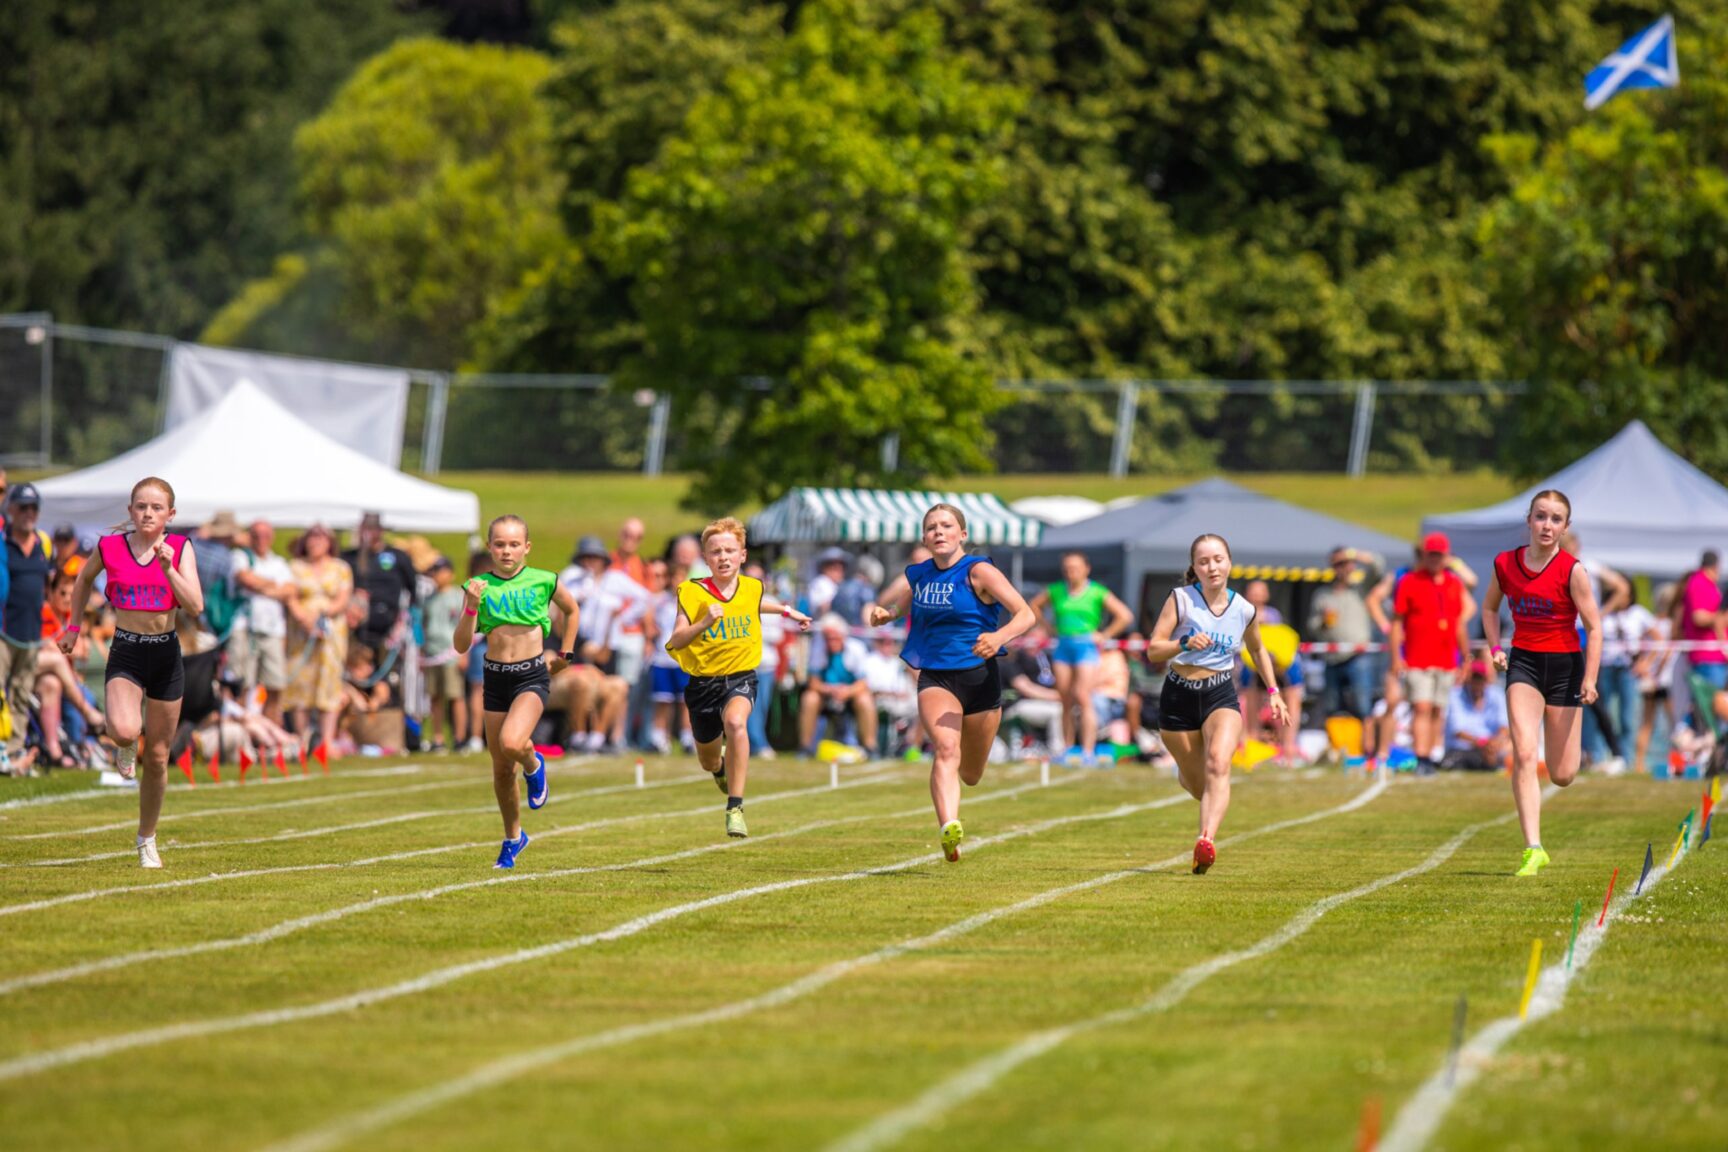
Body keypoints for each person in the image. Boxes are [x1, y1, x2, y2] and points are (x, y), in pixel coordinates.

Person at [866, 503, 1035, 862]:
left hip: (981, 678)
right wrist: (889, 614)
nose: (938, 532)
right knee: (945, 749)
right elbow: (906, 602)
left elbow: (1026, 614)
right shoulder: (921, 574)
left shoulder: (979, 571)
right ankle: (949, 828)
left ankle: (954, 808)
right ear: (924, 538)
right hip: (936, 676)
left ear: (962, 534)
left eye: (946, 526)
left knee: (971, 774)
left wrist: (999, 637)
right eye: (932, 528)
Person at [58, 477, 204, 868]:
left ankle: (146, 839)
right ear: (130, 511)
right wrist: (73, 627)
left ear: (170, 514)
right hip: (126, 650)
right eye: (141, 506)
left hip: (166, 655)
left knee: (156, 758)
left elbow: (195, 606)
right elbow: (83, 580)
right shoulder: (110, 547)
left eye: (156, 508)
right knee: (124, 730)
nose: (148, 514)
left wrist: (169, 570)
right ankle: (124, 744)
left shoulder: (180, 548)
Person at [1146, 533, 1289, 874]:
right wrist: (1183, 643)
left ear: (1229, 562)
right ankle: (1187, 776)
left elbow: (1257, 649)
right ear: (1195, 567)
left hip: (1220, 693)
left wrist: (1274, 691)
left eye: (1218, 559)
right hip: (1178, 696)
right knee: (1198, 785)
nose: (1212, 567)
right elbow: (1153, 650)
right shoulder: (1181, 599)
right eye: (1204, 561)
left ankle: (1205, 840)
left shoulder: (1244, 609)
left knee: (1218, 765)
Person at [665, 518, 812, 838]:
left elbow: (754, 603)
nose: (724, 557)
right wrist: (703, 623)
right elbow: (676, 639)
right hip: (703, 684)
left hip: (740, 676)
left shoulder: (753, 586)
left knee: (736, 723)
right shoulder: (691, 592)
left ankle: (735, 807)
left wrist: (788, 611)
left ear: (743, 555)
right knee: (707, 760)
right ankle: (719, 768)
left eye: (730, 550)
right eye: (716, 551)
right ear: (706, 558)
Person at [1482, 489, 1603, 877]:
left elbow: (1595, 628)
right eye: (1540, 516)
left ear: (1565, 527)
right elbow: (1489, 608)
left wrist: (1590, 678)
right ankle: (1533, 848)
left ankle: (1539, 839)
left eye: (1555, 519)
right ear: (1529, 520)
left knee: (1562, 774)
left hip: (1566, 668)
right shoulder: (1505, 563)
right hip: (1524, 664)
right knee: (1523, 752)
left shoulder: (1573, 570)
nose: (1546, 525)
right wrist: (1495, 647)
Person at [454, 515, 580, 869]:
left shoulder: (544, 580)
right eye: (499, 544)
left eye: (513, 544)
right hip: (495, 678)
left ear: (527, 547)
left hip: (531, 676)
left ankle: (534, 763)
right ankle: (513, 838)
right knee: (500, 770)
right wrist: (471, 607)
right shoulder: (477, 586)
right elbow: (461, 644)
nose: (506, 551)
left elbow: (572, 610)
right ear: (489, 547)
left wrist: (566, 654)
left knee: (512, 742)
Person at [1029, 551, 1133, 766]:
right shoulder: (1056, 590)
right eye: (1067, 568)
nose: (1071, 572)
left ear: (1086, 569)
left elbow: (1125, 616)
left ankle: (1087, 750)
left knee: (1084, 696)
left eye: (1075, 568)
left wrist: (1105, 635)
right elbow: (1034, 606)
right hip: (1063, 645)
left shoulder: (1096, 591)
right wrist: (1048, 628)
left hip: (1086, 646)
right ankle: (1067, 748)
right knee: (1065, 699)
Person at [1388, 532, 1474, 769]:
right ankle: (1421, 757)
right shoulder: (1409, 581)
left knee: (1437, 709)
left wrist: (1466, 657)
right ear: (1424, 555)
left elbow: (1459, 624)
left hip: (1446, 658)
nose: (1435, 559)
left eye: (1439, 555)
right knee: (1421, 707)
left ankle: (1432, 755)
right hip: (1417, 658)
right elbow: (1396, 623)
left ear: (1446, 557)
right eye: (1431, 554)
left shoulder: (1454, 583)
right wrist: (1396, 657)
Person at [284, 525, 353, 758]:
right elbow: (290, 596)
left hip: (331, 632)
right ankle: (302, 739)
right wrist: (304, 619)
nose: (316, 542)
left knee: (329, 684)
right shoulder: (295, 567)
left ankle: (327, 741)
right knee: (301, 684)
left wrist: (322, 615)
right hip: (301, 632)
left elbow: (343, 598)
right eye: (312, 538)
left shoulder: (340, 568)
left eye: (321, 538)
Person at [33, 569, 108, 768]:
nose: (67, 598)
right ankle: (83, 737)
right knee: (78, 697)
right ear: (51, 593)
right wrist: (67, 649)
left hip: (65, 681)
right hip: (41, 674)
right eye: (62, 593)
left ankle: (74, 750)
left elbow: (82, 650)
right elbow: (46, 646)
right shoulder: (44, 613)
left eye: (71, 594)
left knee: (63, 687)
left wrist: (67, 648)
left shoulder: (69, 618)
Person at [2, 483, 53, 769]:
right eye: (23, 507)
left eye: (33, 507)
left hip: (32, 633)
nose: (29, 513)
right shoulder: (2, 543)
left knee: (22, 696)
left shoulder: (43, 544)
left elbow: (47, 587)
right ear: (11, 509)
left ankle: (15, 753)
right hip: (3, 631)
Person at [228, 519, 296, 725]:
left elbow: (291, 590)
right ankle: (242, 732)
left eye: (265, 535)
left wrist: (262, 586)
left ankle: (268, 731)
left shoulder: (279, 562)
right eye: (256, 535)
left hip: (273, 629)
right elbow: (245, 579)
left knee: (275, 685)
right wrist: (274, 586)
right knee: (243, 684)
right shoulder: (240, 556)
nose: (261, 539)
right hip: (244, 628)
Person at [1308, 547, 1376, 719]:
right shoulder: (1322, 595)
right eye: (1339, 564)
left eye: (1347, 563)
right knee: (1331, 707)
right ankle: (1335, 737)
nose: (1344, 567)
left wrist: (1355, 554)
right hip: (1332, 658)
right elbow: (1312, 626)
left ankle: (1366, 737)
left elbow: (1378, 567)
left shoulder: (1361, 589)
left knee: (1363, 707)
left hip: (1358, 656)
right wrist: (1323, 622)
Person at [799, 614, 877, 757]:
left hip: (850, 694)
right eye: (827, 638)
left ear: (843, 636)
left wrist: (847, 692)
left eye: (834, 638)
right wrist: (829, 690)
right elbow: (813, 682)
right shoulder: (818, 649)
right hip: (826, 694)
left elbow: (863, 683)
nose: (831, 642)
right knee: (809, 698)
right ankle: (805, 747)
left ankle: (870, 747)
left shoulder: (857, 648)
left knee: (865, 700)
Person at [342, 512, 419, 652]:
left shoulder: (397, 556)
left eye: (372, 528)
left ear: (381, 530)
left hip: (388, 619)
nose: (368, 533)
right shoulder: (349, 557)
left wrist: (407, 618)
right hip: (354, 619)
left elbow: (413, 589)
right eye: (365, 528)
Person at [646, 558, 694, 753]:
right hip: (662, 658)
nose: (678, 581)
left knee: (685, 701)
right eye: (674, 577)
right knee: (663, 701)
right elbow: (650, 625)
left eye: (682, 577)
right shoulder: (660, 601)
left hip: (683, 659)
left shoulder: (692, 601)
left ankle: (687, 738)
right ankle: (659, 738)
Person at [421, 557, 468, 753]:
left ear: (450, 573)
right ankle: (438, 738)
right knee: (435, 697)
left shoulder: (458, 596)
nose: (437, 576)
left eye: (440, 571)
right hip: (432, 653)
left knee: (455, 696)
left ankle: (459, 738)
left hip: (452, 653)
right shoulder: (428, 599)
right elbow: (423, 626)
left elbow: (466, 626)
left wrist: (464, 653)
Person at [1635, 583, 1681, 773]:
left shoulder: (1651, 623)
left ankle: (1639, 763)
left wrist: (1646, 668)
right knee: (1675, 724)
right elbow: (1666, 653)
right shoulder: (1671, 625)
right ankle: (1677, 761)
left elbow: (1641, 649)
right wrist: (1656, 671)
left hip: (1652, 680)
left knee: (1647, 723)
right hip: (1664, 681)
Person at [1004, 624, 1064, 756]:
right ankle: (1057, 753)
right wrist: (1059, 697)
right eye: (1034, 638)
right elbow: (1025, 688)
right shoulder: (1015, 658)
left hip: (1043, 703)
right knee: (1057, 711)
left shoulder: (1046, 657)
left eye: (1041, 639)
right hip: (1016, 704)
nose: (1037, 642)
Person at [1443, 659, 1510, 771]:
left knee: (1510, 745)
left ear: (1486, 680)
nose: (1477, 683)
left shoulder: (1496, 694)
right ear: (1468, 680)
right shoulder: (1456, 695)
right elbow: (1458, 732)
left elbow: (1504, 726)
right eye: (1474, 679)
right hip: (1465, 748)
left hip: (1492, 746)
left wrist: (1496, 742)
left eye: (1480, 679)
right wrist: (1482, 743)